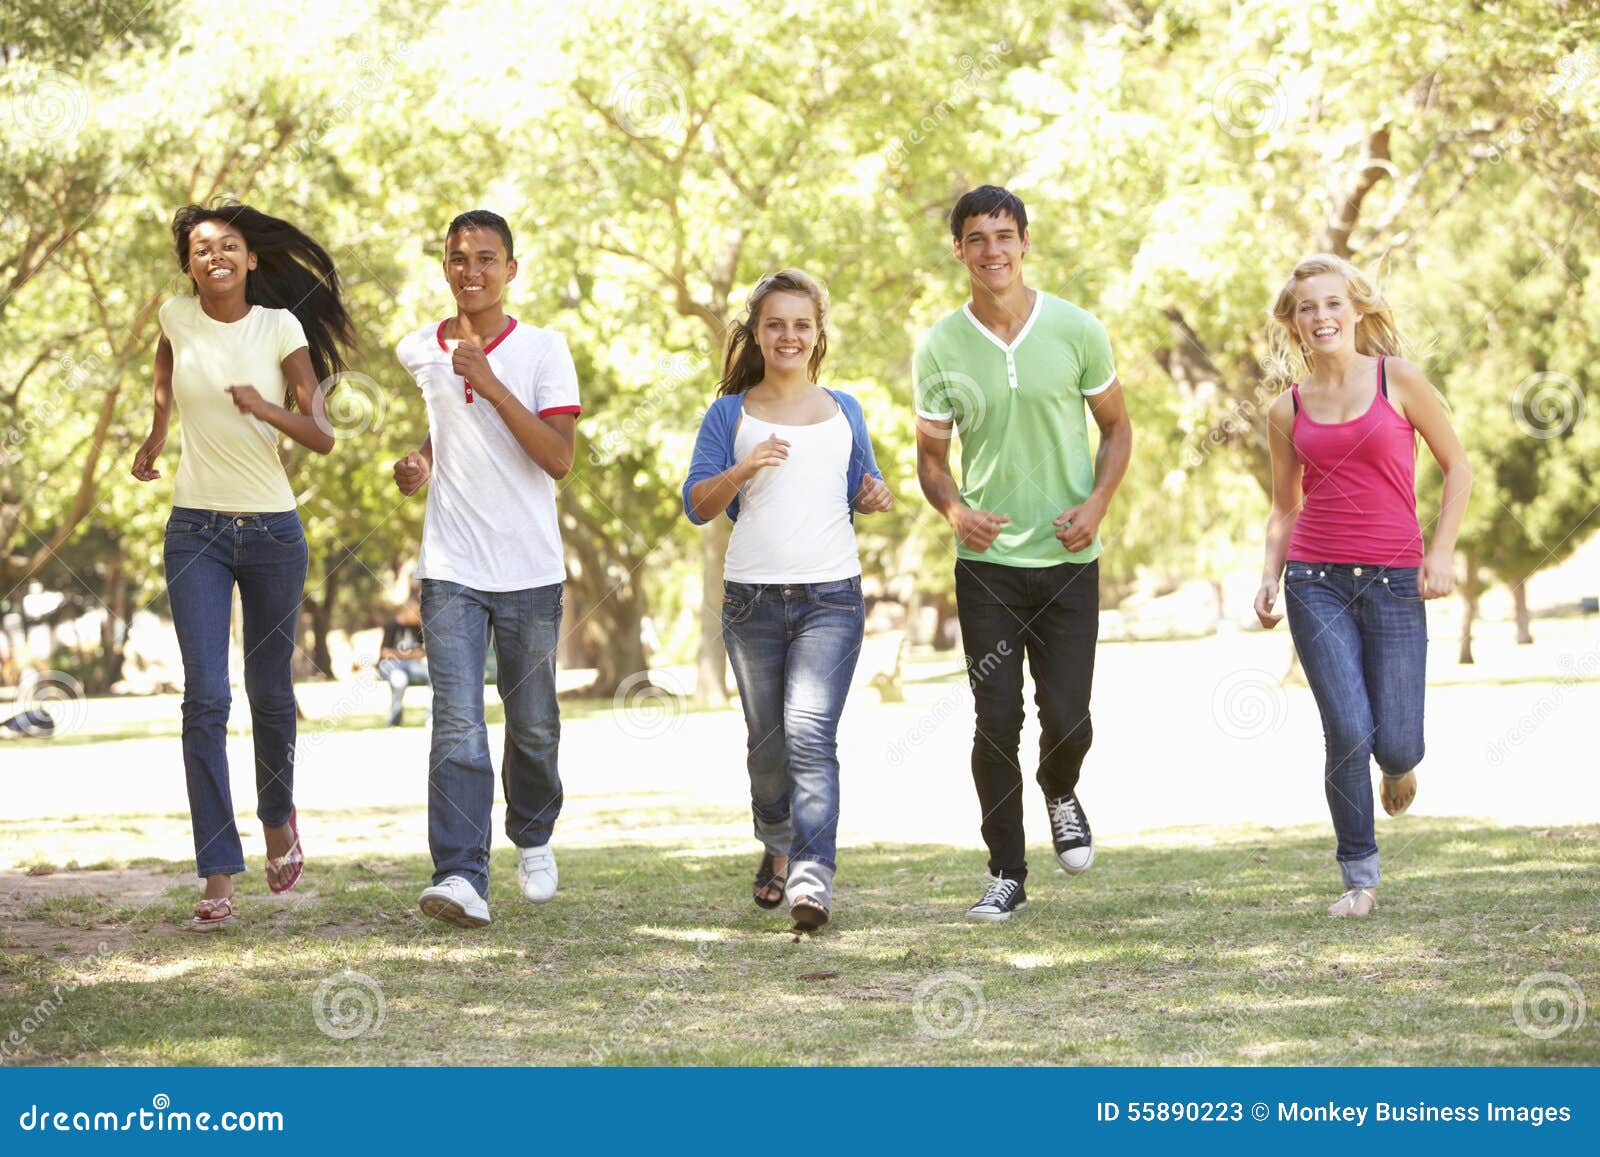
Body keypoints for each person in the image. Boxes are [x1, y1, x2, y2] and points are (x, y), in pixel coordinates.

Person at [131, 202, 354, 930]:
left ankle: (277, 817)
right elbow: (167, 362)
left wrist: (265, 406)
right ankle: (218, 870)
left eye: (229, 246)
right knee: (205, 697)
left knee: (270, 693)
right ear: (188, 264)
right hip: (194, 527)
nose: (216, 256)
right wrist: (158, 429)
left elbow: (320, 433)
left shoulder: (280, 328)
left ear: (251, 260)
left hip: (271, 532)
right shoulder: (174, 315)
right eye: (202, 248)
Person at [914, 186, 1133, 922]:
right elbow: (930, 457)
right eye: (976, 238)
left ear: (1025, 242)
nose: (992, 251)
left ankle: (1060, 785)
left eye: (1004, 236)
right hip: (989, 569)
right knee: (995, 715)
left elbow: (1118, 429)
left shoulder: (1076, 329)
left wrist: (1097, 504)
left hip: (1070, 558)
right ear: (959, 250)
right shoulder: (941, 345)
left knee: (1069, 717)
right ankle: (1006, 872)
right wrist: (955, 509)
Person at [1254, 254, 1471, 918]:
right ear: (1292, 324)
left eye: (1332, 303)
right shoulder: (1286, 409)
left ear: (1356, 310)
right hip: (1315, 579)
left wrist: (1440, 554)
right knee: (1346, 728)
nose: (1321, 317)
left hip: (1395, 578)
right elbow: (1285, 506)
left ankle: (1399, 767)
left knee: (1397, 742)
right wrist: (1269, 574)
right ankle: (1359, 876)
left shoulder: (1397, 380)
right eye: (1306, 308)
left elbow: (1457, 466)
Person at [682, 269, 892, 932]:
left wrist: (874, 495)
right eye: (776, 324)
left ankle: (811, 873)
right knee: (767, 747)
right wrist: (742, 469)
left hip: (832, 597)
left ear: (818, 332)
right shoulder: (729, 413)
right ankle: (776, 842)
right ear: (757, 332)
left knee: (809, 735)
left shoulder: (845, 410)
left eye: (802, 324)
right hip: (752, 603)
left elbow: (867, 484)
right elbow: (697, 503)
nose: (789, 335)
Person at [392, 210, 580, 929]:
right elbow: (448, 429)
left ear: (511, 268)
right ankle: (461, 873)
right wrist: (422, 462)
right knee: (458, 722)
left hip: (529, 568)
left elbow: (557, 458)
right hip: (451, 564)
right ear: (444, 267)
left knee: (532, 724)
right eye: (458, 258)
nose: (472, 271)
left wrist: (494, 381)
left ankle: (532, 833)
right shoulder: (420, 348)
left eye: (487, 258)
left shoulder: (541, 348)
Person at [377, 601, 428, 727]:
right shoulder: (392, 625)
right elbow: (385, 653)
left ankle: (432, 717)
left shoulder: (416, 626)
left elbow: (421, 652)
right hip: (392, 664)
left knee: (433, 675)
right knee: (400, 680)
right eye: (416, 614)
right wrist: (409, 655)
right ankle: (394, 717)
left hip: (412, 664)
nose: (418, 617)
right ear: (407, 612)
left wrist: (408, 655)